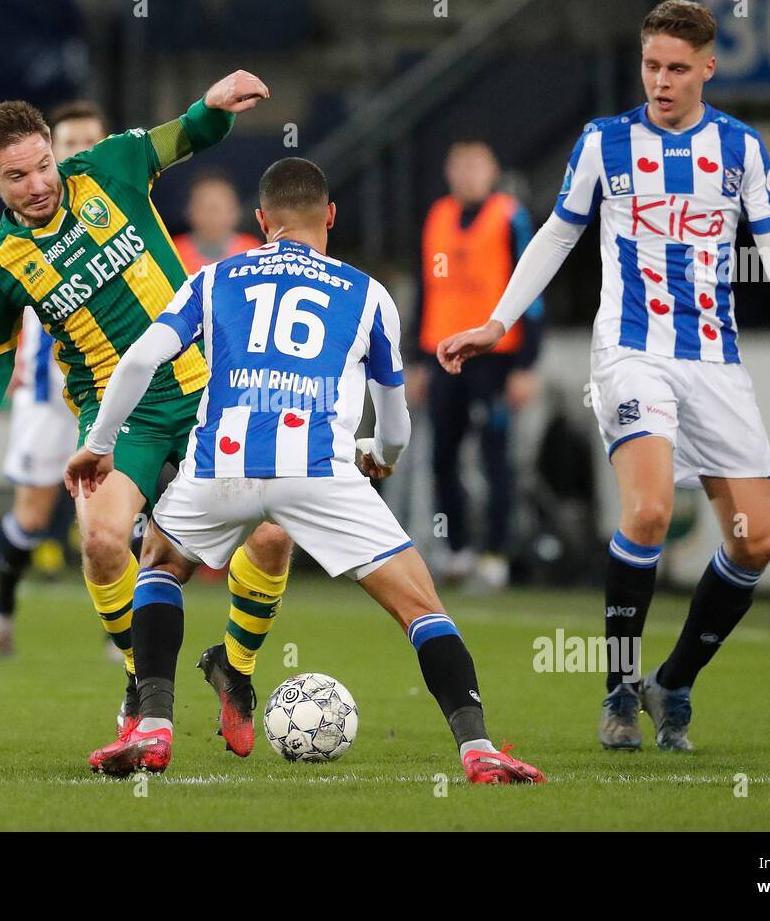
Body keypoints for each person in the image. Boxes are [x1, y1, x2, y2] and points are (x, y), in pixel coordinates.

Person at [438, 0, 770, 751]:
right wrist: (499, 320)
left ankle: (671, 683)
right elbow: (558, 235)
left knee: (758, 541)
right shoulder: (604, 143)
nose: (662, 80)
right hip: (630, 352)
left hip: (716, 361)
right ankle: (619, 686)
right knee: (647, 513)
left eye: (678, 68)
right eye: (652, 65)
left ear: (707, 68)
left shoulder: (741, 148)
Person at [66, 157, 547, 784]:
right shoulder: (368, 294)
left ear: (261, 221)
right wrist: (382, 456)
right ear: (331, 218)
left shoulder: (214, 279)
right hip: (320, 469)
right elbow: (395, 424)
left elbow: (138, 361)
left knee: (159, 565)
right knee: (422, 608)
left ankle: (154, 725)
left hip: (221, 465)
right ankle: (478, 748)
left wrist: (100, 442)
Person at [0, 72, 297, 748]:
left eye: (44, 166)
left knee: (273, 532)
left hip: (207, 387)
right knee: (103, 540)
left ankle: (235, 668)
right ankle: (143, 687)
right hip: (121, 419)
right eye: (17, 175)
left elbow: (189, 132)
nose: (38, 185)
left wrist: (214, 104)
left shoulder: (111, 166)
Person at [0, 100, 110, 657]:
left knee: (115, 511)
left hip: (111, 386)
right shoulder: (25, 215)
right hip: (47, 387)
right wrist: (8, 351)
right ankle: (2, 607)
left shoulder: (117, 203)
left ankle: (125, 635)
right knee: (33, 514)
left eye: (92, 141)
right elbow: (5, 288)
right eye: (71, 144)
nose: (83, 151)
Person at [413, 140, 542, 588]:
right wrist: (416, 358)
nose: (468, 175)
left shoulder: (510, 216)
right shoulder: (437, 216)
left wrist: (527, 363)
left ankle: (495, 552)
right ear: (449, 173)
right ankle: (457, 549)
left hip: (494, 358)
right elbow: (425, 287)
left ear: (492, 172)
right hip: (442, 354)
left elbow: (533, 288)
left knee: (495, 457)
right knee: (442, 457)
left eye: (476, 166)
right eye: (460, 167)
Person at [171, 170, 262, 273]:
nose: (213, 216)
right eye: (205, 207)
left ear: (236, 211)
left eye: (220, 207)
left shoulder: (252, 252)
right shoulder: (173, 253)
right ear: (189, 211)